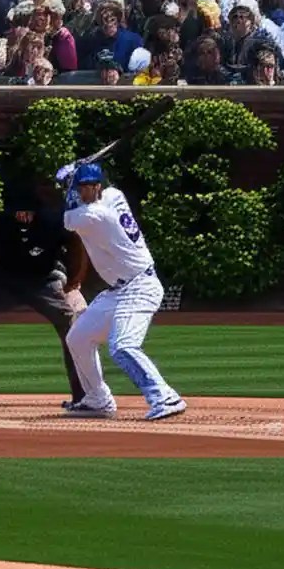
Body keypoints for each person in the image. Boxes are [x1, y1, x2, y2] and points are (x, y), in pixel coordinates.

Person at [61, 162, 186, 420]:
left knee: (123, 345)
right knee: (78, 338)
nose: (84, 192)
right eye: (81, 188)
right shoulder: (114, 195)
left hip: (140, 287)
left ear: (98, 187)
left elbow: (68, 219)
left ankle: (165, 396)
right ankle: (98, 399)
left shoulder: (94, 216)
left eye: (88, 187)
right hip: (118, 291)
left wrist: (67, 184)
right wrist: (73, 179)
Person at [0, 186, 88, 405]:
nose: (22, 215)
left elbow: (77, 244)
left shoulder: (54, 221)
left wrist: (75, 280)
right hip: (2, 281)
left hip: (42, 280)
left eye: (27, 211)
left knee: (71, 324)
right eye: (17, 211)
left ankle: (83, 395)